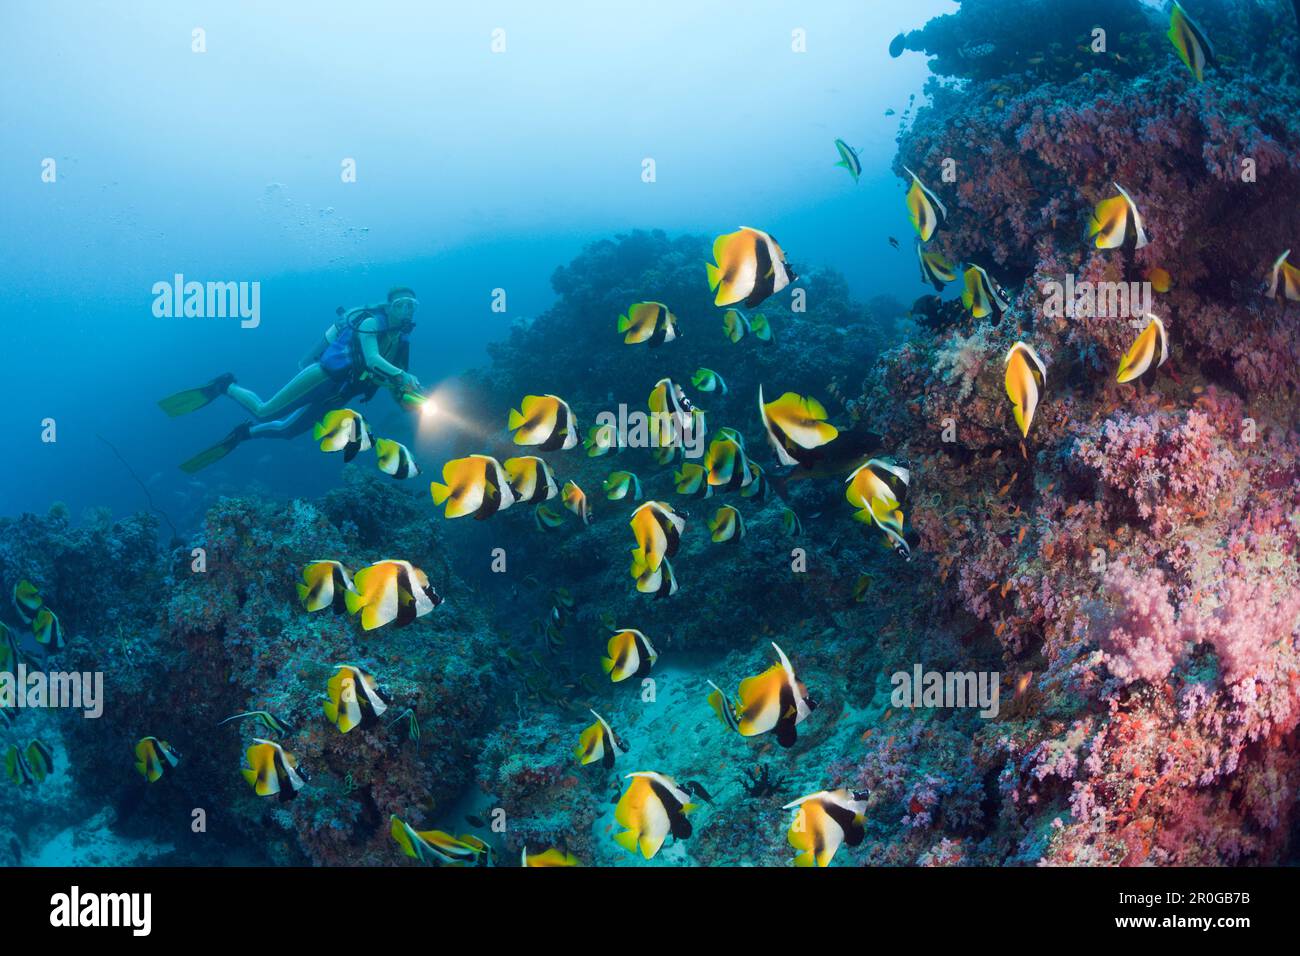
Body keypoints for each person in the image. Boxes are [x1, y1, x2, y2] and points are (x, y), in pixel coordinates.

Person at [158, 287, 423, 472]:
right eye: (401, 305)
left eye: (412, 306)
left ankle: (243, 434)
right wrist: (404, 375)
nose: (407, 310)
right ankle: (225, 385)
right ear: (389, 306)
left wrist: (410, 399)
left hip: (339, 395)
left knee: (287, 431)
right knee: (265, 411)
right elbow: (373, 359)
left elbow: (396, 385)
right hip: (322, 376)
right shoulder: (371, 323)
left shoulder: (402, 343)